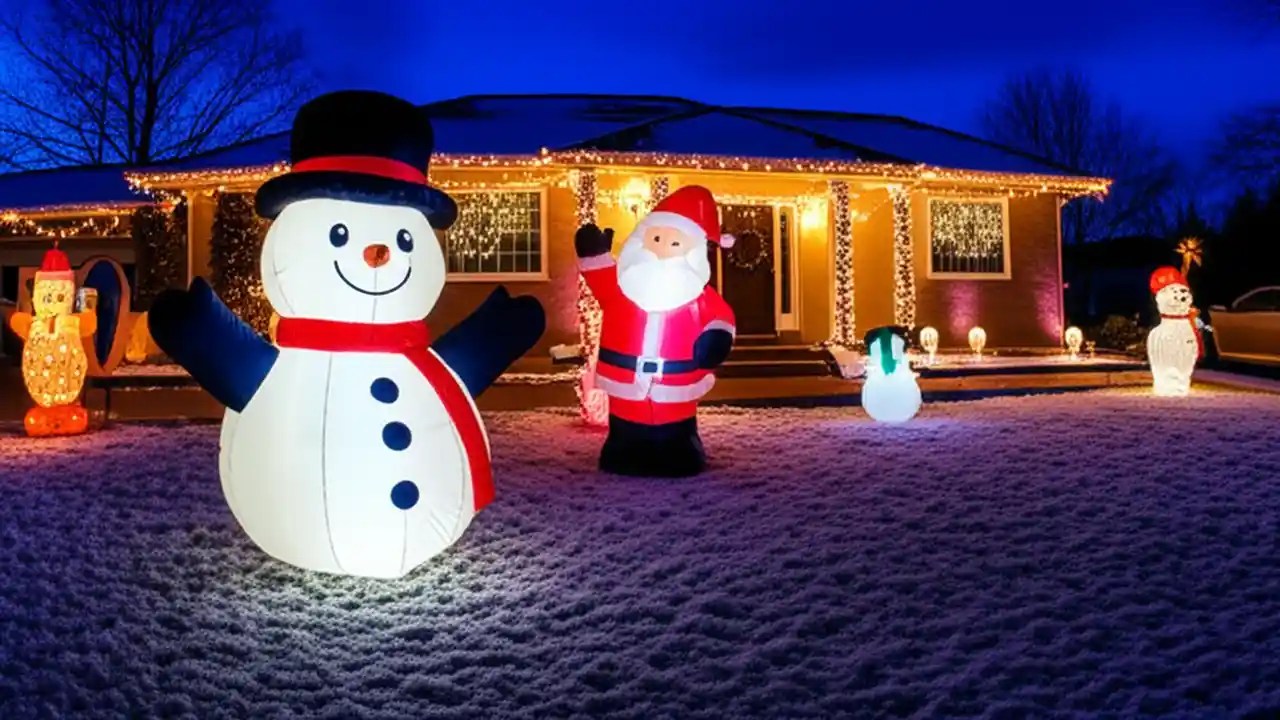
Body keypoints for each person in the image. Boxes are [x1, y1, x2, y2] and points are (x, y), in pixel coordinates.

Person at [576, 185, 737, 477]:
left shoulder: (698, 295)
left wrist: (717, 338)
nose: (662, 250)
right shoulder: (623, 284)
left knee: (676, 439)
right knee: (624, 432)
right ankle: (622, 450)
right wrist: (594, 255)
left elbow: (721, 316)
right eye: (657, 239)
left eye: (675, 244)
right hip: (625, 386)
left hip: (675, 388)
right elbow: (600, 278)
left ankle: (680, 448)